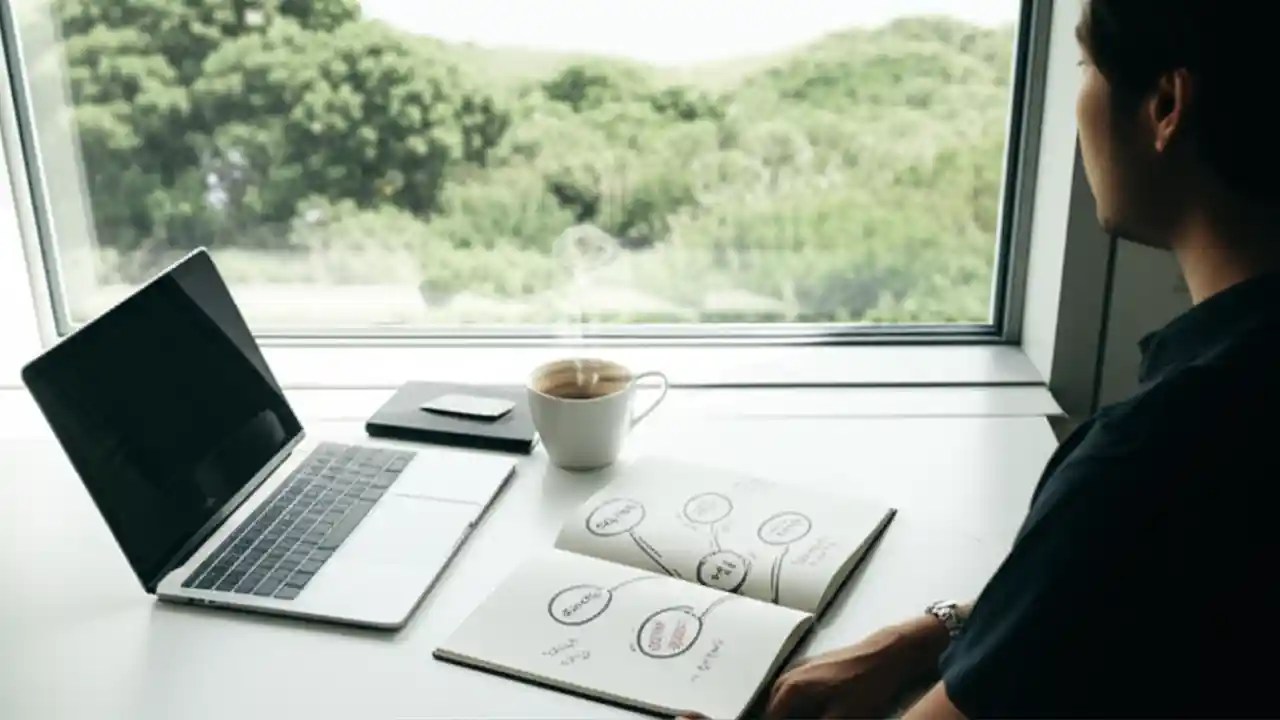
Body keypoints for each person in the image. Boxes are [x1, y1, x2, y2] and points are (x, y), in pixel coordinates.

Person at [761, 0, 1280, 716]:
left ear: (1166, 105)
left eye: (1085, 66)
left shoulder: (1159, 455)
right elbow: (1111, 586)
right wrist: (931, 633)